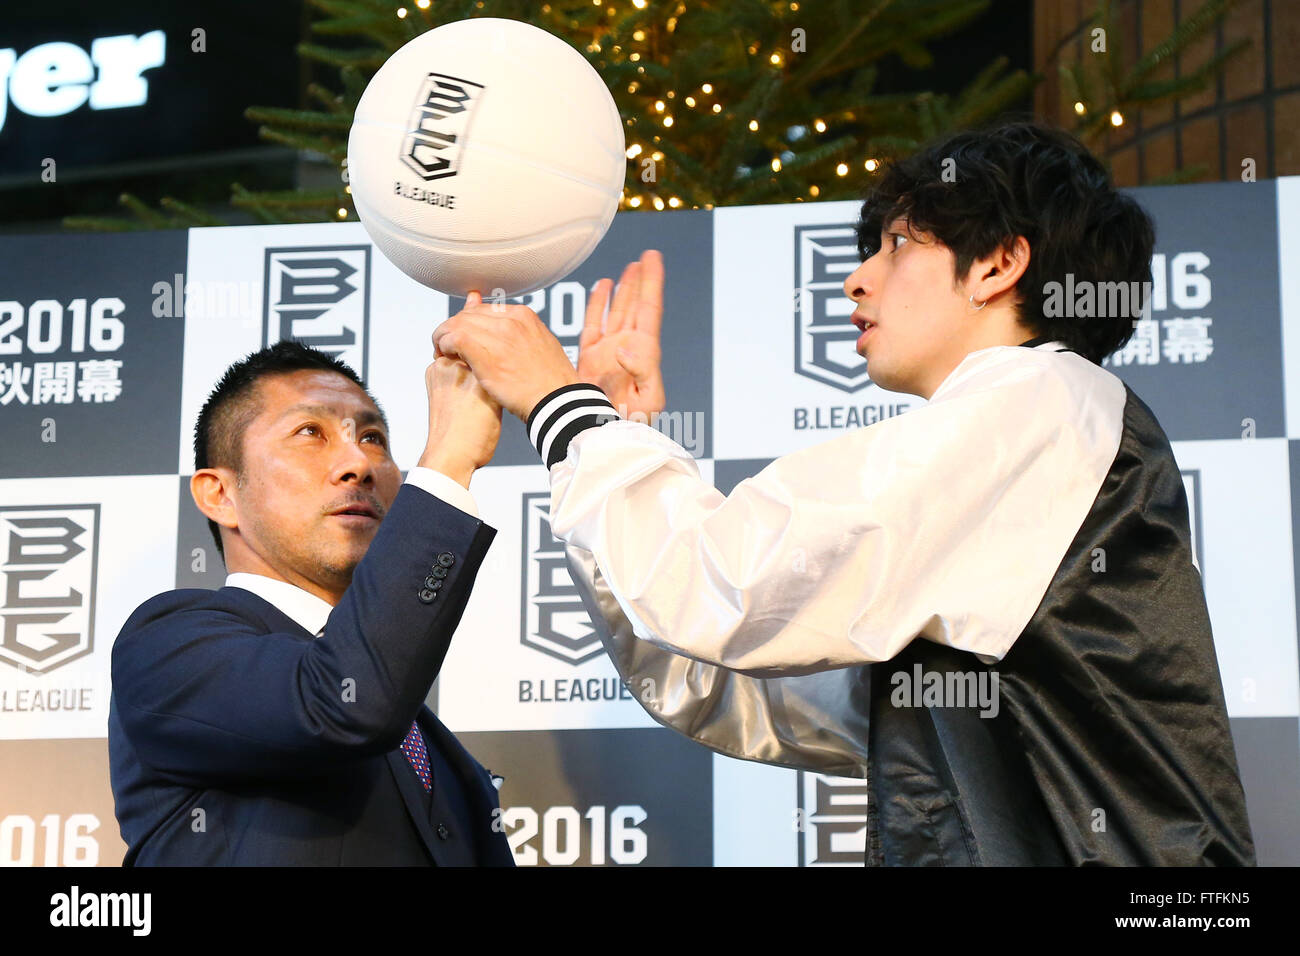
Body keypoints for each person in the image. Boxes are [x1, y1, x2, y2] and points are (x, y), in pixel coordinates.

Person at [433, 121, 1256, 866]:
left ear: (1001, 264)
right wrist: (610, 433)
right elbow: (727, 686)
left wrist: (564, 410)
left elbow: (728, 587)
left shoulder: (1042, 399)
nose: (857, 280)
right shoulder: (1031, 443)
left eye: (897, 244)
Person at [108, 340, 514, 866]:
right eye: (310, 434)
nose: (358, 464)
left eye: (373, 438)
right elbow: (343, 703)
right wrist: (448, 461)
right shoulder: (165, 644)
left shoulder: (443, 756)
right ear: (219, 495)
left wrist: (597, 451)